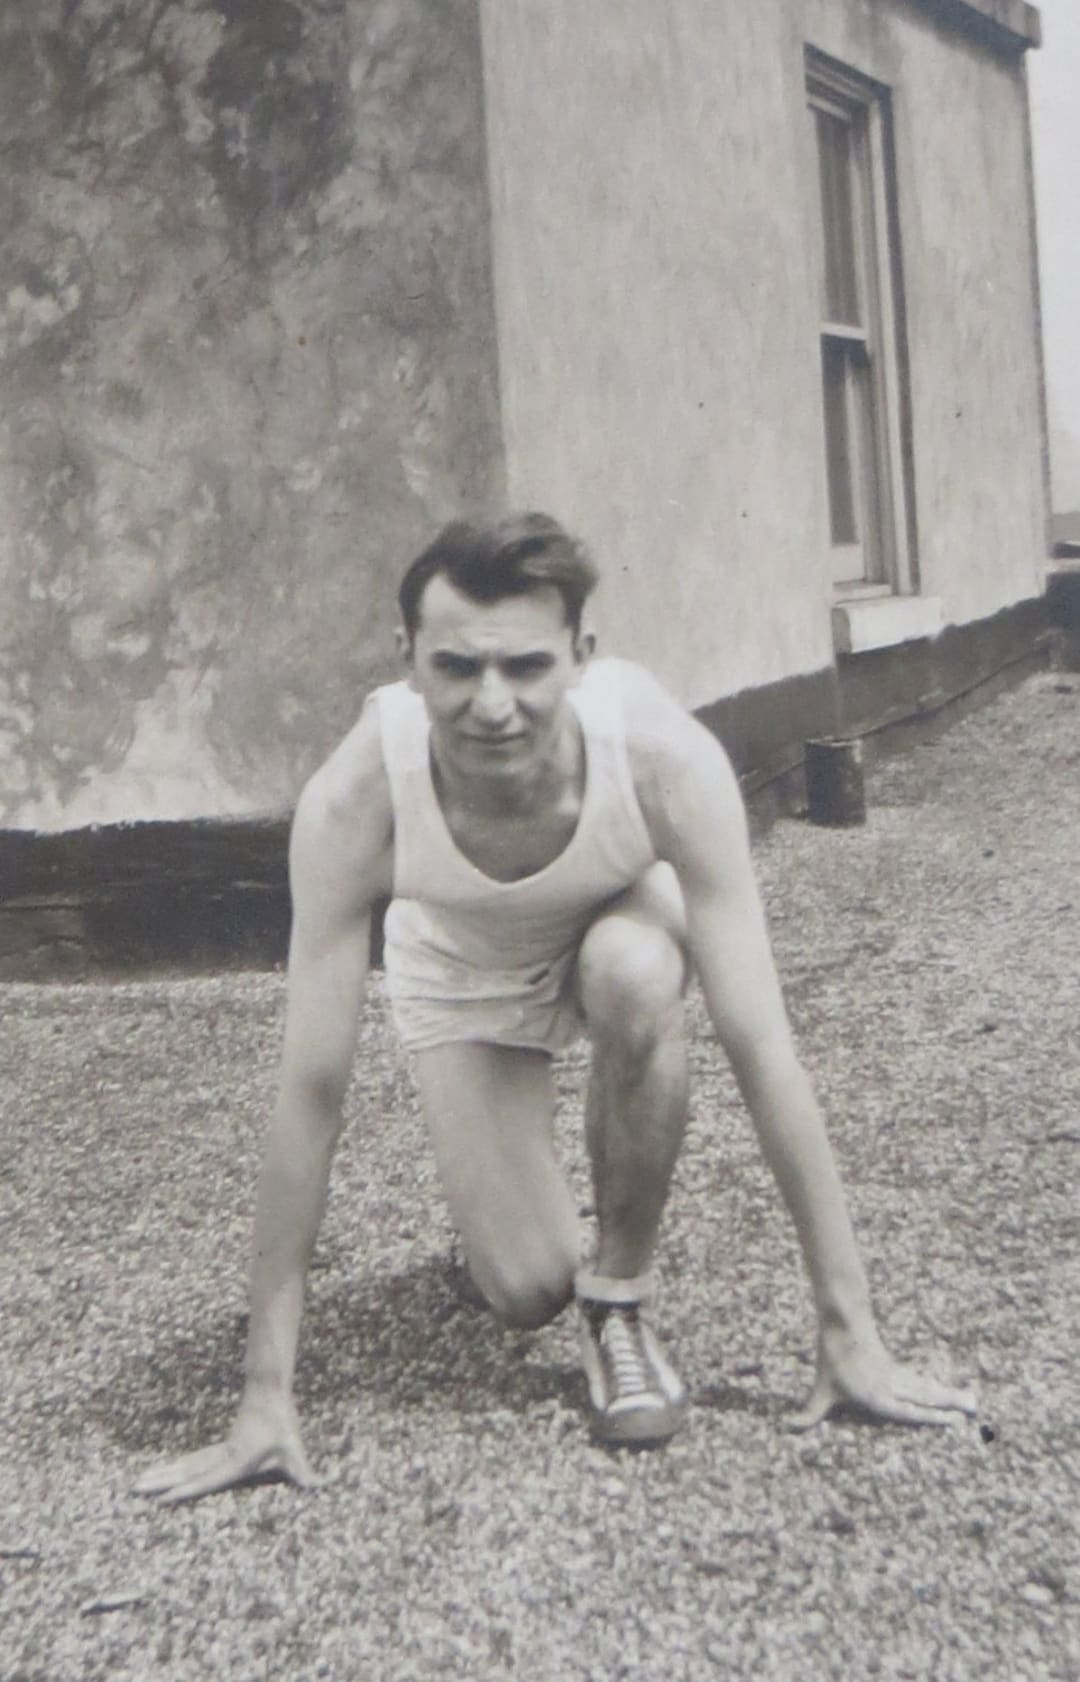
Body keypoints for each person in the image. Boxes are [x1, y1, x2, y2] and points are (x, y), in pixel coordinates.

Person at [137, 513, 976, 1503]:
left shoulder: (663, 756)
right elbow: (310, 1095)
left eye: (527, 666)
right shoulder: (353, 799)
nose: (493, 704)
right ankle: (518, 1230)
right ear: (406, 657)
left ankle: (619, 1301)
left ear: (581, 656)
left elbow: (763, 1047)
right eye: (457, 667)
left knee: (630, 968)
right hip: (460, 966)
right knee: (528, 1287)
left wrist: (852, 1332)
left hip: (614, 918)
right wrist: (262, 1399)